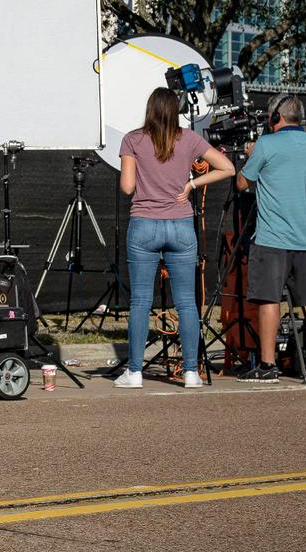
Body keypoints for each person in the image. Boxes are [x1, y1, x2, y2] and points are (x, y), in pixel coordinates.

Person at [114, 87, 235, 390]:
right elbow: (228, 168)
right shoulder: (190, 139)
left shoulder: (132, 139)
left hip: (144, 225)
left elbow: (127, 188)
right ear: (175, 110)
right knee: (187, 303)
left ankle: (135, 372)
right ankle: (192, 372)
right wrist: (192, 183)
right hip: (181, 225)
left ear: (150, 108)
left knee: (141, 301)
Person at [234, 94, 306, 384]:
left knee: (268, 299)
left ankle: (267, 365)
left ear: (275, 118)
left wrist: (252, 156)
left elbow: (242, 183)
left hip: (272, 238)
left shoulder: (266, 144)